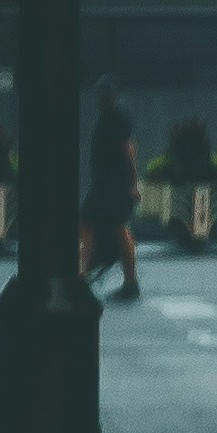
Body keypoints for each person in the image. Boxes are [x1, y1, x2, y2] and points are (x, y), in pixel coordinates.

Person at [84, 79, 140, 303]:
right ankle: (84, 273)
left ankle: (130, 282)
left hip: (116, 184)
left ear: (113, 96)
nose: (100, 98)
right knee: (90, 224)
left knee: (118, 227)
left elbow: (128, 150)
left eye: (105, 94)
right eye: (99, 94)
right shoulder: (106, 117)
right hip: (104, 184)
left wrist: (133, 183)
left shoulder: (118, 118)